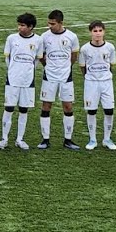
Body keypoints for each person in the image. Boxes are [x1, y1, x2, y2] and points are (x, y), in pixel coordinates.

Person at [37, 9, 81, 150]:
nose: (50, 26)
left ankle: (68, 140)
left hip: (66, 76)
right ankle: (45, 139)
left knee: (68, 106)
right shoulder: (44, 37)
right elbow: (41, 56)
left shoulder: (72, 36)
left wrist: (66, 67)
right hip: (49, 76)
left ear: (61, 23)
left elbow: (74, 56)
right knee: (46, 106)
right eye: (49, 23)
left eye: (53, 24)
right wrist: (48, 66)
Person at [0, 12, 41, 150]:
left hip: (28, 81)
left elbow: (37, 60)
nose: (19, 27)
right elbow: (7, 58)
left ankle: (19, 139)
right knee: (9, 108)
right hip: (12, 79)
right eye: (19, 25)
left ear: (30, 27)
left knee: (23, 109)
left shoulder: (38, 40)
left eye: (22, 25)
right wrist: (14, 70)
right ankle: (4, 139)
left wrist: (28, 71)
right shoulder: (11, 38)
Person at [78, 20, 116, 150]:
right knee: (92, 110)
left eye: (100, 30)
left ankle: (107, 139)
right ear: (91, 32)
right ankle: (92, 139)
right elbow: (82, 67)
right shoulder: (85, 49)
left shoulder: (110, 47)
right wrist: (90, 77)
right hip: (91, 83)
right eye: (95, 31)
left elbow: (111, 65)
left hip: (106, 83)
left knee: (109, 110)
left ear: (104, 32)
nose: (98, 33)